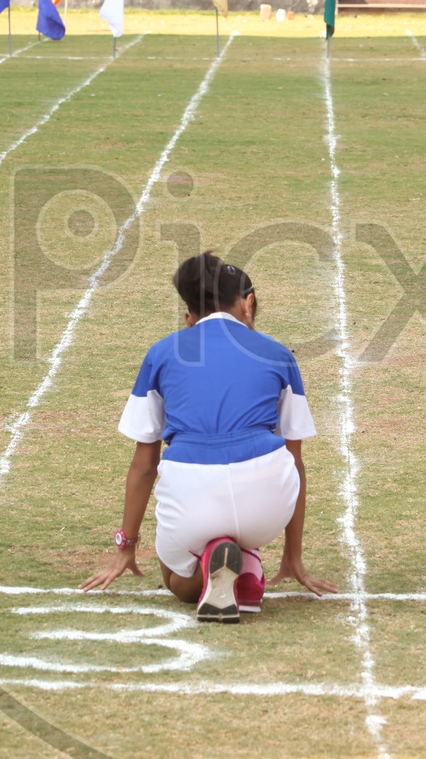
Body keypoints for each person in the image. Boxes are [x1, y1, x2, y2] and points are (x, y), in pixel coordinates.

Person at [84, 253, 337, 621]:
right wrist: (292, 557)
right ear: (248, 303)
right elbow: (295, 462)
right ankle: (245, 565)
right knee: (257, 499)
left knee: (174, 578)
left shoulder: (161, 353)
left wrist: (126, 547)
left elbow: (144, 465)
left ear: (189, 318)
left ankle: (214, 563)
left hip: (191, 492)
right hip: (265, 503)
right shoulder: (280, 355)